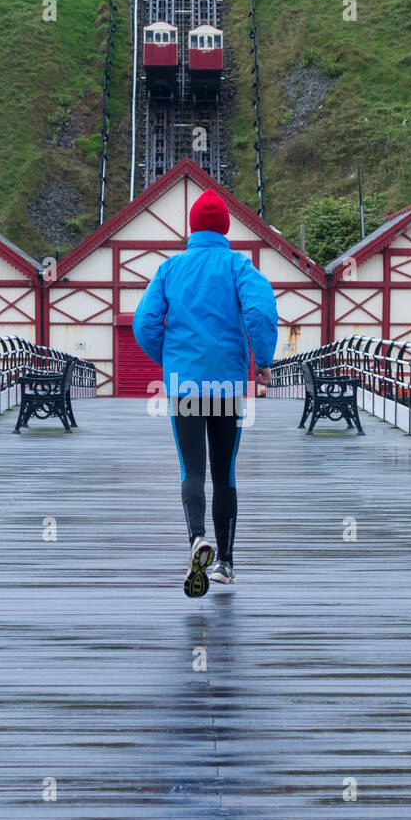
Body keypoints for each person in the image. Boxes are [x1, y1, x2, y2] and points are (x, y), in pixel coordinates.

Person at [132, 189, 278, 597]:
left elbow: (144, 324)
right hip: (228, 385)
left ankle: (197, 539)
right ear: (225, 228)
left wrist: (172, 360)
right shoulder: (238, 266)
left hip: (185, 388)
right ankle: (227, 564)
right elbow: (260, 310)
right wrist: (263, 360)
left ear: (193, 227)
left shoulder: (170, 268)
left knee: (192, 470)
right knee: (224, 473)